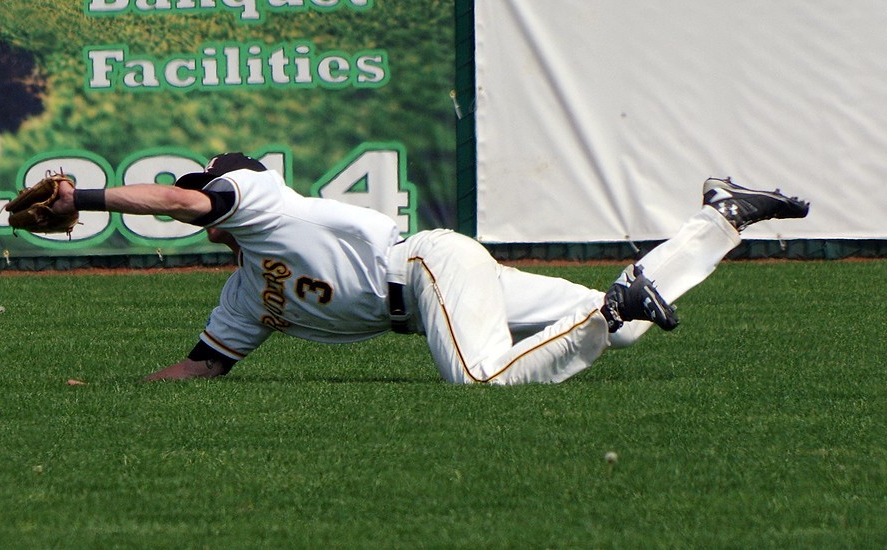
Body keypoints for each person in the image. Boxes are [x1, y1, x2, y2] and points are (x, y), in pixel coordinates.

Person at [49, 153, 809, 385]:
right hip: (445, 281)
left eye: (201, 195)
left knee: (480, 379)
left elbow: (173, 199)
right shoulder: (246, 295)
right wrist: (112, 393)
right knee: (628, 333)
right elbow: (200, 369)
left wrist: (81, 194)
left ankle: (615, 306)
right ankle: (721, 217)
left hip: (424, 269)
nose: (197, 208)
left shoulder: (258, 199)